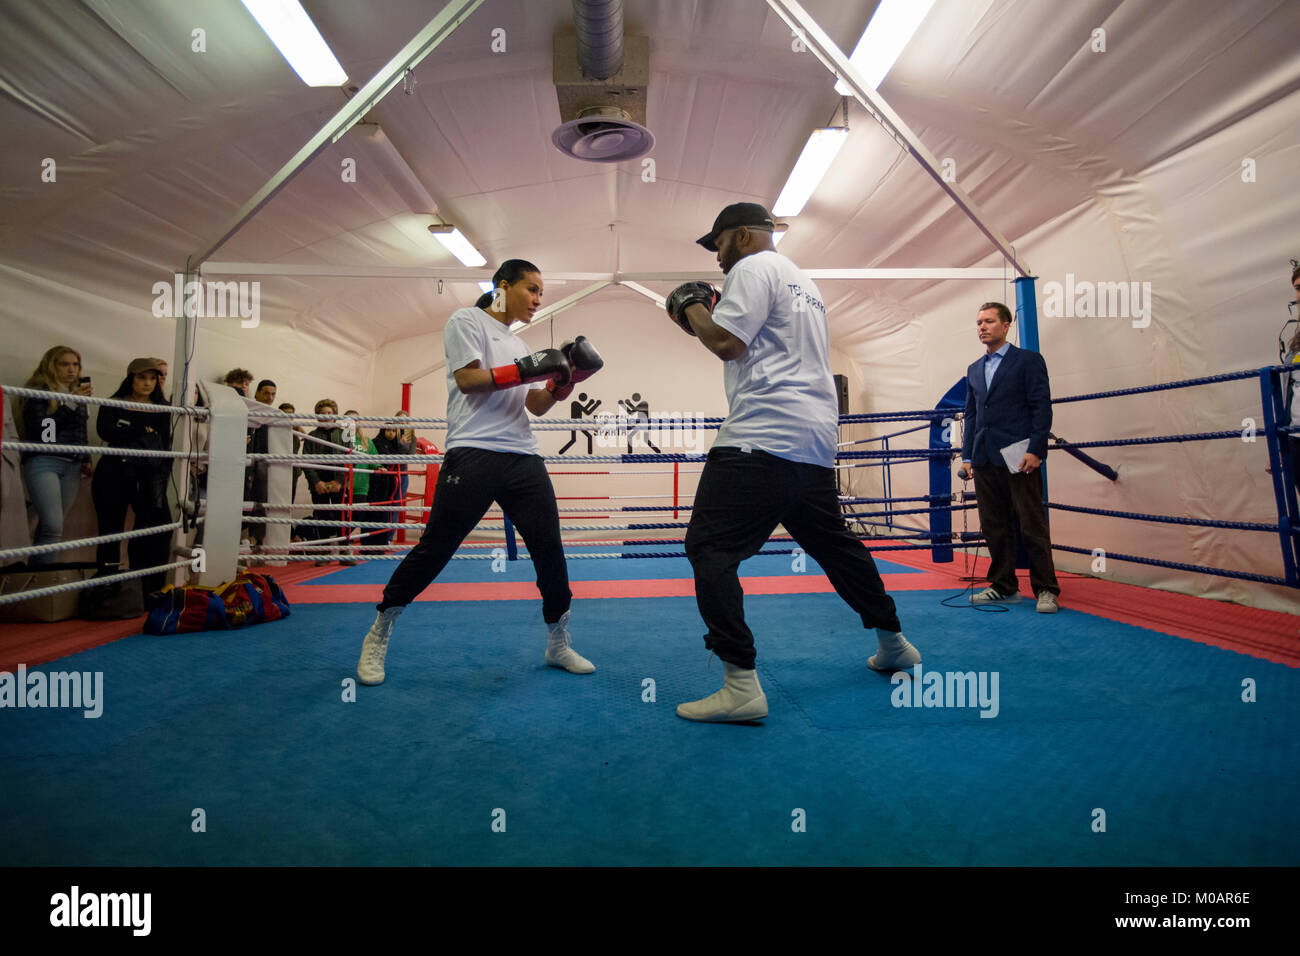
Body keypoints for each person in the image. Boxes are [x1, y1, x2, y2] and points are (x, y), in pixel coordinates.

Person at [667, 203, 921, 723]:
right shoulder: (805, 282)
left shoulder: (752, 268)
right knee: (835, 545)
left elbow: (725, 342)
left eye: (717, 244)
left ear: (740, 236)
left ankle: (740, 684)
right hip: (812, 443)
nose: (716, 257)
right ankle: (894, 643)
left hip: (759, 438)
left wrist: (691, 306)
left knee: (709, 548)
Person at [356, 260, 604, 685]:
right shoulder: (465, 320)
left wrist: (565, 382)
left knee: (549, 549)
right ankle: (379, 631)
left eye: (541, 292)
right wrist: (532, 368)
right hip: (473, 451)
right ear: (503, 287)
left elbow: (535, 406)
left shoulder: (517, 342)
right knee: (435, 548)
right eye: (532, 289)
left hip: (523, 456)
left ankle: (557, 642)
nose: (538, 299)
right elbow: (470, 380)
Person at [957, 302, 1060, 612]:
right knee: (993, 525)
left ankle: (1046, 589)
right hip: (985, 457)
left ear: (1006, 325)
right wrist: (967, 456)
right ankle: (1003, 586)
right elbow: (972, 415)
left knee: (1031, 523)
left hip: (1019, 455)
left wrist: (1036, 449)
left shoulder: (1027, 361)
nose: (982, 327)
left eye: (988, 321)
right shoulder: (974, 369)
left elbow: (1041, 406)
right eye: (978, 322)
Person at [92, 358, 173, 597]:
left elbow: (164, 444)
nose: (148, 383)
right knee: (110, 531)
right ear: (131, 378)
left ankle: (147, 587)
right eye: (142, 377)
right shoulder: (113, 403)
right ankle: (107, 589)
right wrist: (143, 431)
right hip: (112, 472)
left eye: (152, 378)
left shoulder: (164, 408)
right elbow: (105, 431)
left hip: (148, 476)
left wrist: (126, 428)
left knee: (155, 529)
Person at [17, 346, 93, 564]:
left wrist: (86, 457)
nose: (71, 369)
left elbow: (80, 428)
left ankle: (37, 580)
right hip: (44, 461)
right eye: (64, 364)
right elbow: (45, 432)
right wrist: (70, 403)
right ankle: (40, 581)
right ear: (51, 365)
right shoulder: (39, 389)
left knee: (51, 528)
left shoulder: (77, 392)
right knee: (52, 526)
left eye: (75, 364)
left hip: (72, 464)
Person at [302, 399, 347, 564]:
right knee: (320, 515)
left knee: (342, 515)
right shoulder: (311, 436)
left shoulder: (343, 434)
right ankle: (324, 550)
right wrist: (316, 482)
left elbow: (351, 459)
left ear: (334, 415)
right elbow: (306, 462)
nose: (327, 416)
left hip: (338, 482)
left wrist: (340, 481)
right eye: (323, 414)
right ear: (318, 416)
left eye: (330, 413)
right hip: (319, 483)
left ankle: (345, 550)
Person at [365, 412, 415, 548]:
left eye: (404, 422)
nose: (401, 425)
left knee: (395, 506)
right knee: (380, 506)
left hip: (400, 475)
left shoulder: (409, 436)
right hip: (382, 477)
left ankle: (388, 538)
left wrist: (401, 443)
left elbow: (408, 456)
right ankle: (378, 537)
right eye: (398, 422)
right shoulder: (380, 440)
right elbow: (382, 455)